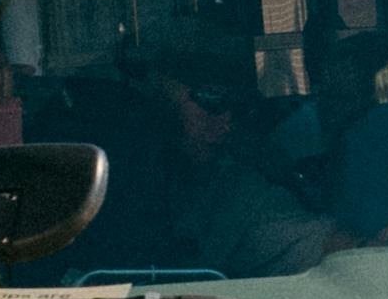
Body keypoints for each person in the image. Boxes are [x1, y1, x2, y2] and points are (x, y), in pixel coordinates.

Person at [131, 32, 335, 275]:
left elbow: (305, 239)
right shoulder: (100, 177)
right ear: (159, 90)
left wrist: (370, 251)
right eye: (211, 100)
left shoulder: (236, 182)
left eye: (237, 108)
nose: (226, 122)